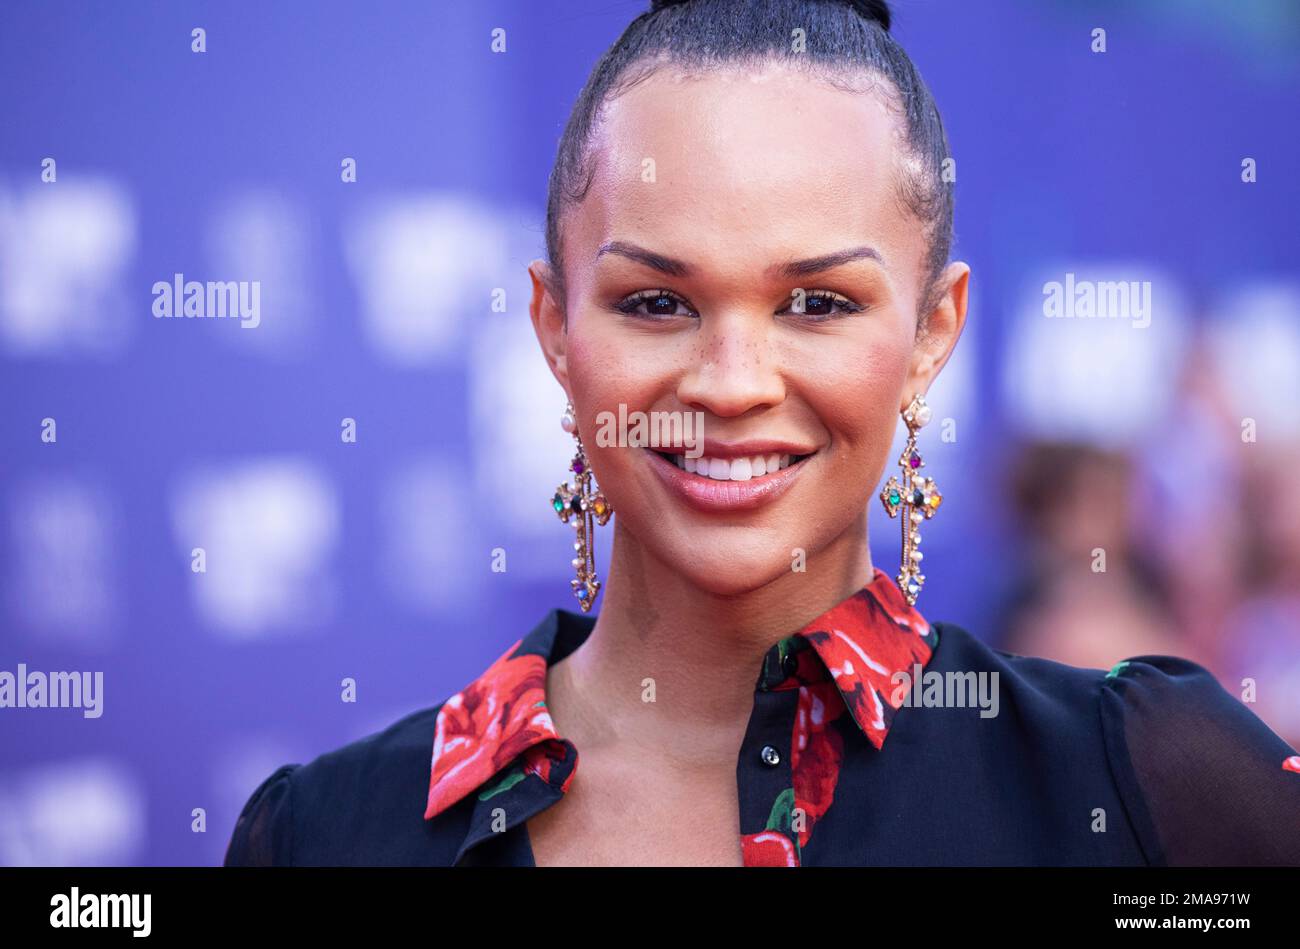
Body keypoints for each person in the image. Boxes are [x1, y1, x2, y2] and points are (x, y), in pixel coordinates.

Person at [223, 0, 1300, 867]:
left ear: (932, 333)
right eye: (655, 302)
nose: (732, 384)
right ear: (555, 329)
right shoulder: (331, 835)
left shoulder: (1142, 787)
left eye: (818, 304)